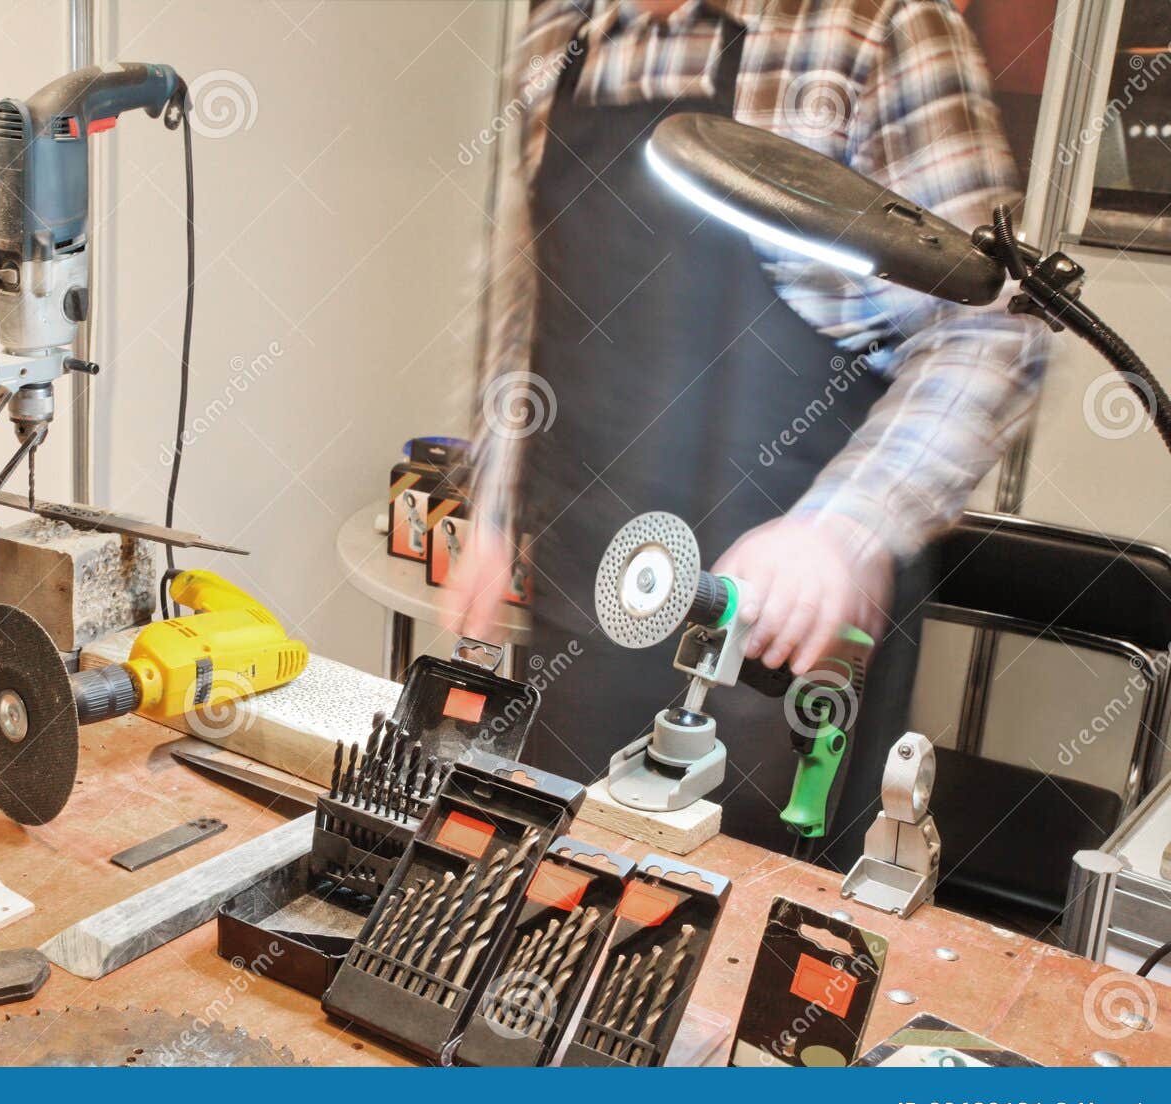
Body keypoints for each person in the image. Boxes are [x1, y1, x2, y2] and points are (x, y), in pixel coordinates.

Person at [445, 0, 1049, 860]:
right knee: (563, 887)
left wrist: (844, 528)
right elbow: (528, 291)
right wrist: (496, 506)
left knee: (748, 911)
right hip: (588, 602)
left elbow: (995, 328)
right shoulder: (559, 32)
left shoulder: (875, 28)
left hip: (783, 634)